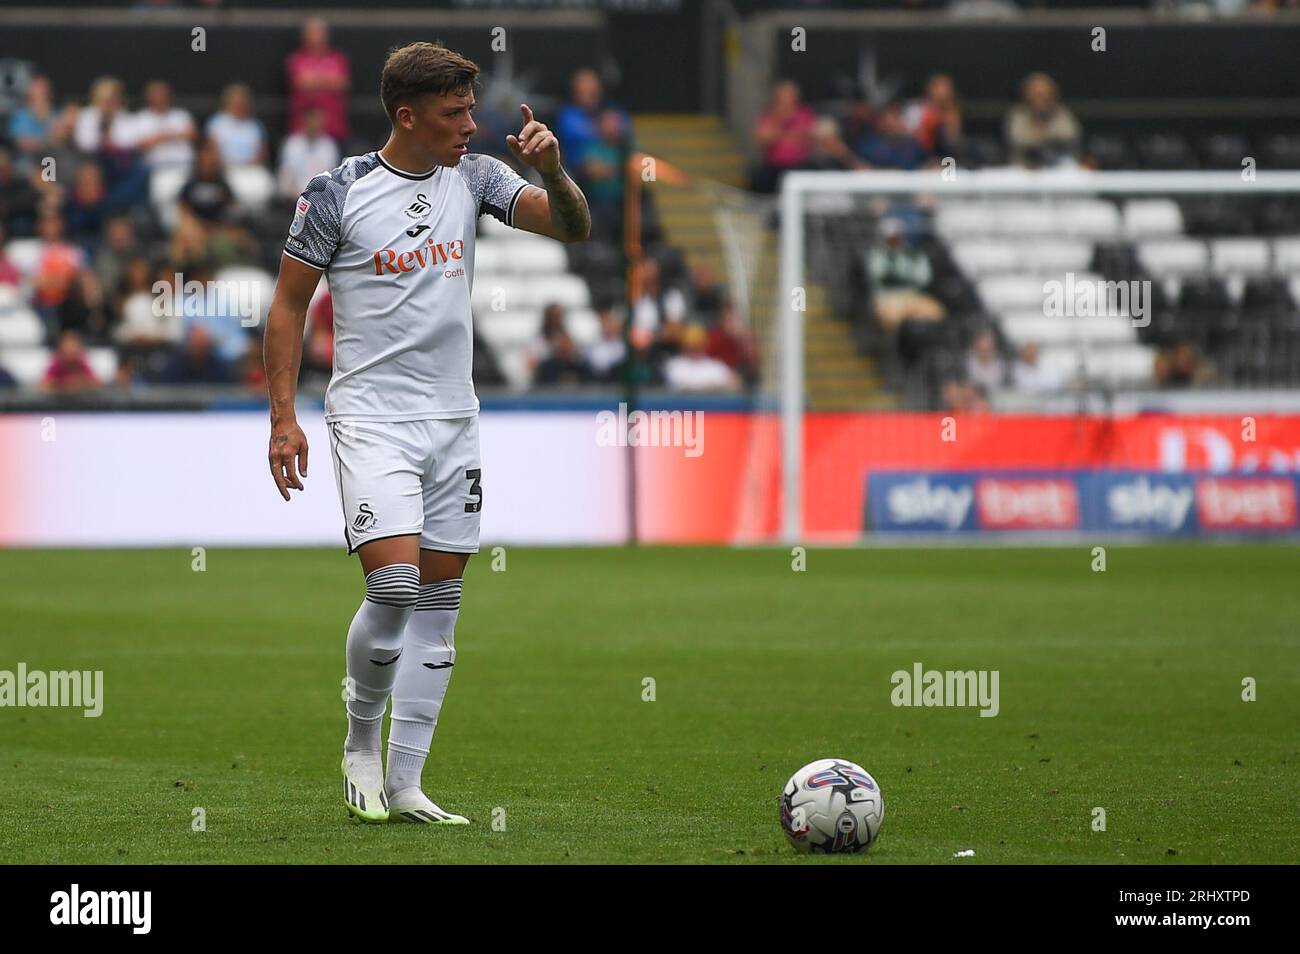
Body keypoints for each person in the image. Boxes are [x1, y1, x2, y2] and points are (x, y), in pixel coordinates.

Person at [263, 40, 590, 826]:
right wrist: (283, 418)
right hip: (372, 419)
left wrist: (552, 168)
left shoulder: (474, 177)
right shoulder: (337, 191)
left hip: (455, 420)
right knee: (396, 586)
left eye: (471, 109)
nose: (470, 125)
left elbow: (571, 230)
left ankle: (407, 783)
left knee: (441, 601)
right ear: (406, 116)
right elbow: (285, 306)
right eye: (454, 113)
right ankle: (358, 746)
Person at [285, 17, 351, 145]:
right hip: (302, 129)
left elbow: (342, 83)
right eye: (313, 33)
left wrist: (313, 80)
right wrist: (327, 80)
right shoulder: (297, 58)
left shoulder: (337, 58)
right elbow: (298, 83)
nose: (316, 37)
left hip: (333, 127)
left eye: (319, 32)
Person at [1005, 72, 1081, 168]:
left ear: (1052, 94)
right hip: (1024, 167)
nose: (1039, 98)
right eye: (1035, 94)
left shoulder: (1062, 113)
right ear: (1026, 94)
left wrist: (1041, 135)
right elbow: (1017, 139)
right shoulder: (1019, 114)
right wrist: (1043, 137)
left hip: (1058, 166)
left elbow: (1070, 134)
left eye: (1043, 94)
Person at [132, 80, 197, 172]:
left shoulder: (181, 115)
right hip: (154, 167)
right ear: (148, 97)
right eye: (155, 93)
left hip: (184, 164)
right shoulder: (140, 118)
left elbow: (193, 136)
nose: (160, 97)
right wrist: (176, 135)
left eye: (162, 93)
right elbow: (139, 146)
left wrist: (162, 137)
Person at [277, 107, 341, 200]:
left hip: (321, 197)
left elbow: (332, 176)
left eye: (316, 121)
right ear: (304, 122)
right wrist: (295, 195)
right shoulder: (292, 143)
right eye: (311, 121)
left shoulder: (329, 145)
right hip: (294, 196)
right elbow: (286, 172)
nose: (313, 125)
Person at [205, 84, 268, 167]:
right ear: (228, 102)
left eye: (242, 102)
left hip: (250, 168)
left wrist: (250, 165)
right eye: (235, 102)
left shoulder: (255, 125)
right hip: (223, 168)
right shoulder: (217, 122)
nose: (238, 105)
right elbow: (210, 150)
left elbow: (262, 153)